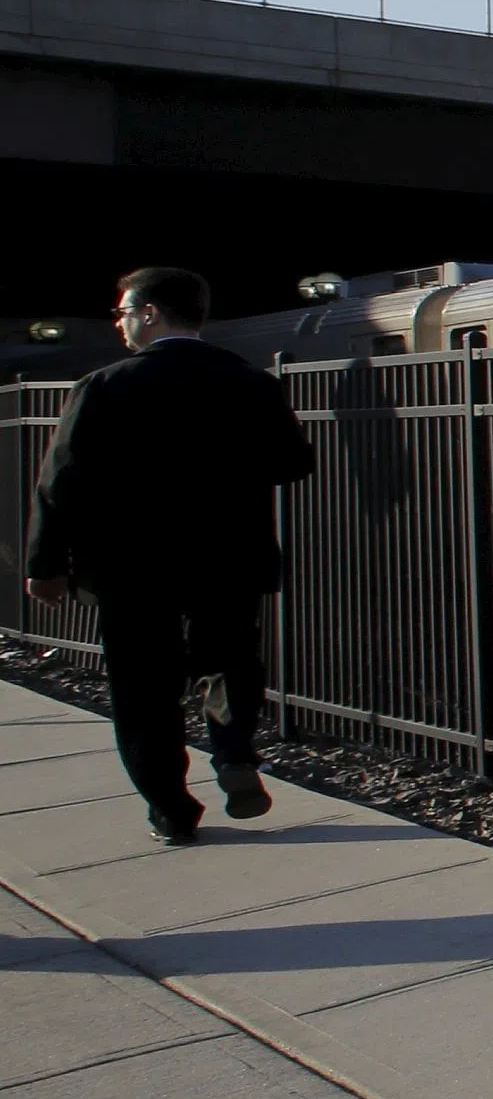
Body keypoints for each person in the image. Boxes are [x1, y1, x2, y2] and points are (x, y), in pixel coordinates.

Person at [22, 267, 315, 846]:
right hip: (229, 556)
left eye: (124, 311)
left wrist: (45, 564)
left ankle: (171, 808)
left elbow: (61, 483)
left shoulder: (105, 386)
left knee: (142, 687)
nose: (120, 322)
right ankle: (233, 750)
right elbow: (292, 463)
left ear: (151, 313)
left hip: (131, 566)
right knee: (230, 658)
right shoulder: (250, 382)